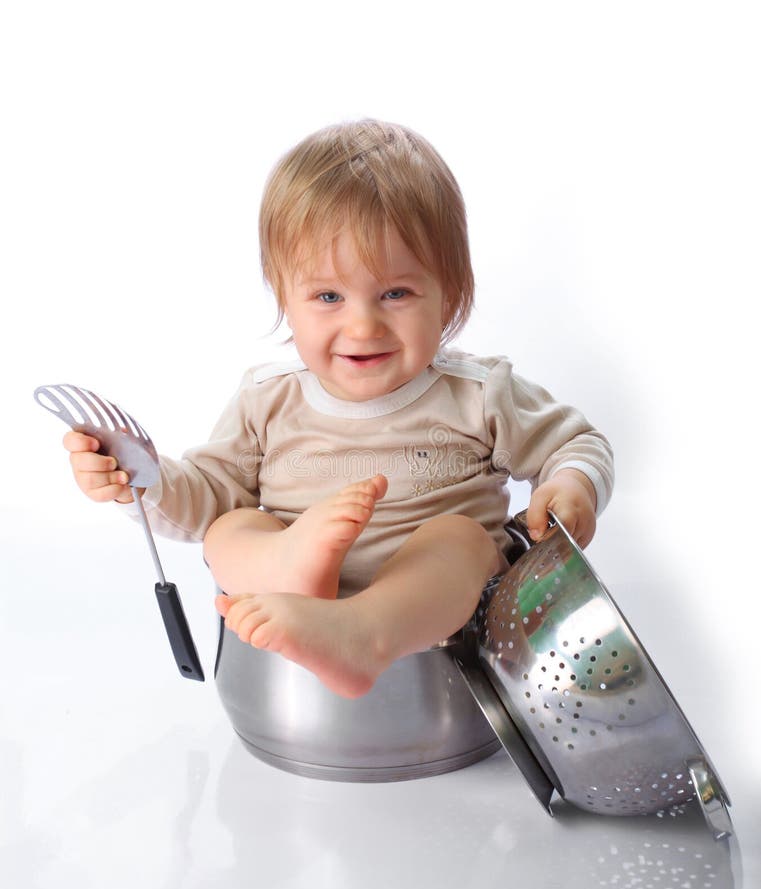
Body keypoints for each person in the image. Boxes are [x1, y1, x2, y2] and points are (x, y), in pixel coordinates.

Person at [63, 120, 614, 700]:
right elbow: (204, 494)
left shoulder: (478, 393)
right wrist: (140, 481)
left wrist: (573, 484)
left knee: (461, 541)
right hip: (289, 598)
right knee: (230, 527)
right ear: (285, 297)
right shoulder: (268, 399)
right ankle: (291, 569)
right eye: (328, 296)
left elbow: (576, 443)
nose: (362, 325)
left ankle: (363, 634)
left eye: (395, 294)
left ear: (448, 293)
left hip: (428, 620)